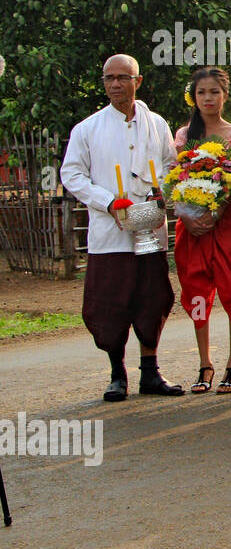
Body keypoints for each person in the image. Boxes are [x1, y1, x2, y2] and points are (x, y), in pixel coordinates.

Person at [61, 53, 180, 402]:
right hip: (109, 234)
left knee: (152, 300)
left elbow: (172, 165)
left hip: (149, 231)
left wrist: (161, 190)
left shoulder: (156, 123)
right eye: (109, 78)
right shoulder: (87, 129)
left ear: (137, 82)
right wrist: (107, 201)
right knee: (111, 305)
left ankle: (150, 372)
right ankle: (117, 375)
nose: (115, 84)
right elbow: (71, 175)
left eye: (122, 78)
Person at [172, 67, 231, 395]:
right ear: (194, 96)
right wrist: (189, 216)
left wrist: (217, 209)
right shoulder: (182, 136)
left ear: (225, 96)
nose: (208, 98)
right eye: (202, 92)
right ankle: (205, 363)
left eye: (215, 92)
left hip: (228, 222)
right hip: (193, 225)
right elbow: (176, 178)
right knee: (197, 289)